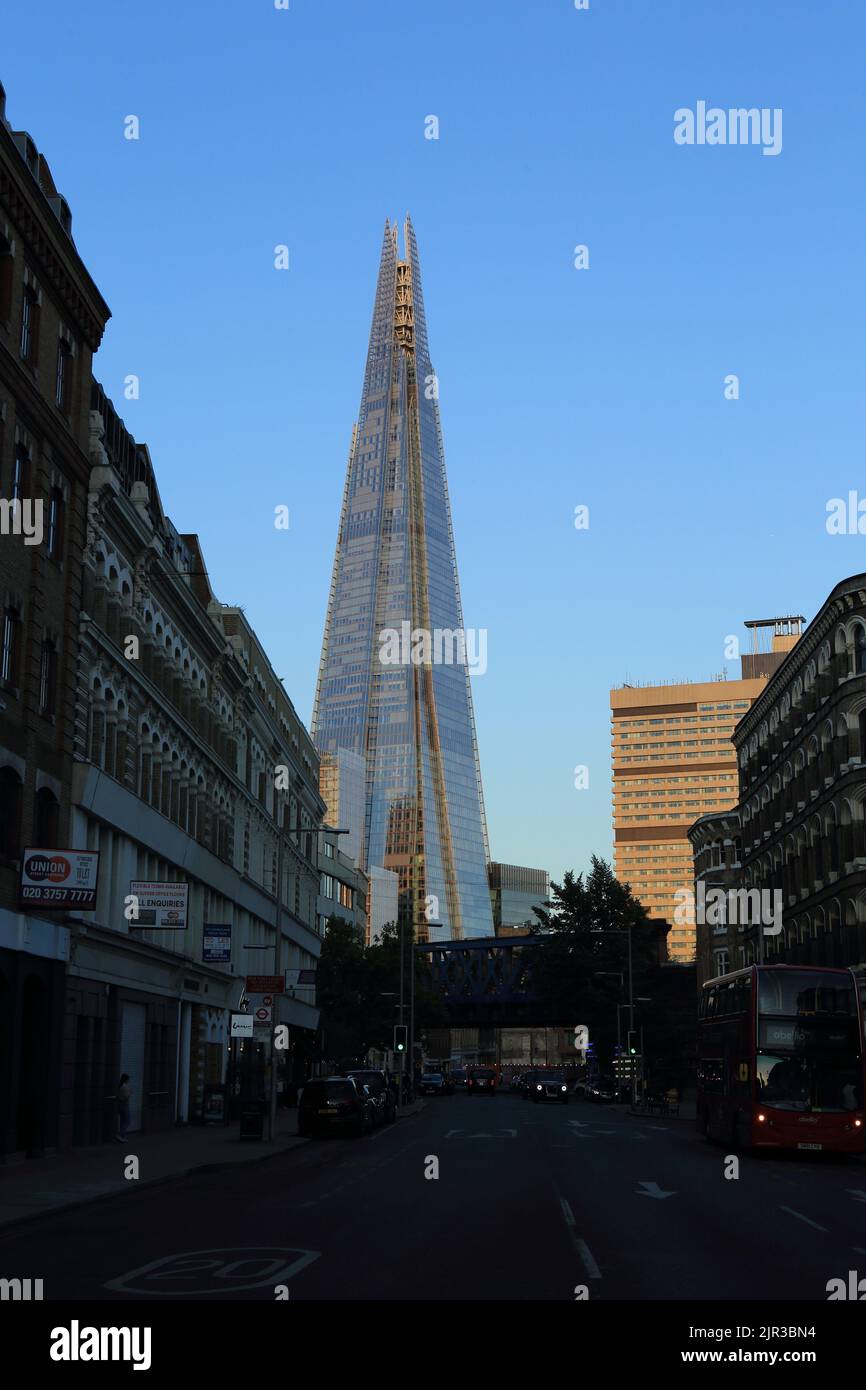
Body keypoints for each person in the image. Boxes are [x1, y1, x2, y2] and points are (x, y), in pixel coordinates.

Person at [115, 1074, 131, 1141]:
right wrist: (130, 1093)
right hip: (124, 1105)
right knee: (127, 1121)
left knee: (122, 1121)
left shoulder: (120, 1086)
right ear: (126, 1079)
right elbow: (126, 1098)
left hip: (120, 1105)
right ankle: (119, 1135)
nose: (128, 1080)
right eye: (128, 1079)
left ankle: (123, 1137)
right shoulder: (125, 1087)